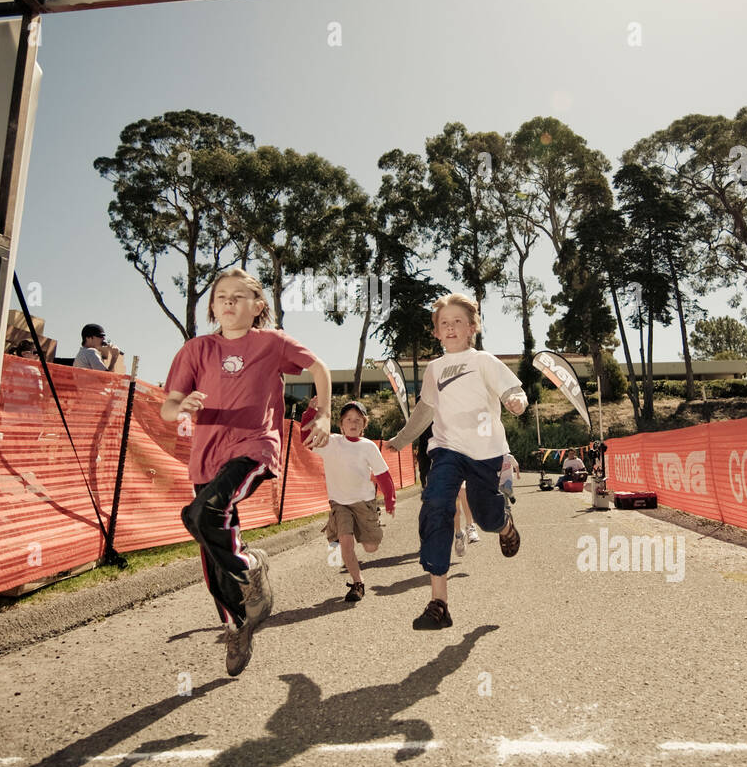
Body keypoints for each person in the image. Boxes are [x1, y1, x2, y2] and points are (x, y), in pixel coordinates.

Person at [160, 268, 332, 675]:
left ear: (258, 307)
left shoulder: (272, 343)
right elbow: (169, 406)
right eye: (221, 296)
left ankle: (249, 567)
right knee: (210, 547)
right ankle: (239, 625)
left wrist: (323, 414)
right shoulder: (195, 349)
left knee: (199, 515)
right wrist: (180, 408)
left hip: (254, 447)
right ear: (212, 306)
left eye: (239, 296)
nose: (229, 303)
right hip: (206, 456)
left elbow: (319, 369)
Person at [388, 293, 526, 630]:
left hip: (486, 452)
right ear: (436, 331)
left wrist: (515, 401)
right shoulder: (435, 369)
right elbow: (426, 410)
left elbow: (513, 390)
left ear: (471, 328)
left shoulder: (484, 361)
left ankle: (503, 524)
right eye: (443, 323)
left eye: (457, 322)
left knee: (486, 517)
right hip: (447, 448)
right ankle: (439, 603)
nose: (450, 327)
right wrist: (401, 439)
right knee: (436, 504)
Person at [310, 400, 396, 603]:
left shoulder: (368, 447)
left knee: (370, 547)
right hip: (340, 503)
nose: (353, 423)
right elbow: (306, 439)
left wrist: (390, 500)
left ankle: (366, 525)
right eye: (349, 419)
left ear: (364, 424)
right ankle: (358, 584)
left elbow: (383, 475)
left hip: (364, 503)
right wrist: (310, 413)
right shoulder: (331, 442)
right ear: (341, 424)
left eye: (358, 420)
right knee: (346, 543)